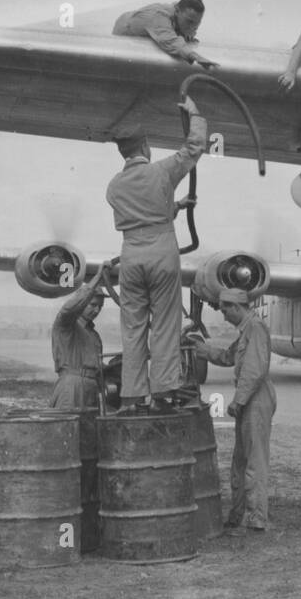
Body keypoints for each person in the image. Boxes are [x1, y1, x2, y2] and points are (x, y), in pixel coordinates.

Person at [105, 96, 208, 414]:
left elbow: (140, 216)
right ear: (145, 147)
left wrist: (173, 207)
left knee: (133, 327)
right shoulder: (162, 172)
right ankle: (163, 390)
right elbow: (194, 148)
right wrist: (195, 115)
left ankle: (132, 396)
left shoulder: (114, 186)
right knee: (165, 322)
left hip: (131, 256)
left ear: (123, 152)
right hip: (163, 253)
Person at [190, 289, 276, 531]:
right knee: (240, 459)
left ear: (236, 306)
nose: (224, 316)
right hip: (250, 395)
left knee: (254, 459)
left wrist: (239, 400)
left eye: (225, 310)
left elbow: (254, 370)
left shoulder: (256, 328)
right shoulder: (247, 330)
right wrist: (200, 349)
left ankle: (257, 517)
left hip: (255, 397)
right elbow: (229, 357)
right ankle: (239, 513)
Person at [48, 266, 107, 409]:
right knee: (67, 428)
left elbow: (95, 366)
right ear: (82, 303)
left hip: (92, 389)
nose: (97, 310)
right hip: (72, 388)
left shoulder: (94, 335)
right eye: (92, 305)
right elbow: (69, 309)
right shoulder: (66, 325)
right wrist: (97, 278)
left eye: (100, 306)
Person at [112, 0, 220, 69]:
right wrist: (196, 57)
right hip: (122, 36)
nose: (193, 28)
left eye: (197, 23)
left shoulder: (182, 15)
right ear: (177, 11)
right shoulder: (159, 16)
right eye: (190, 22)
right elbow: (171, 42)